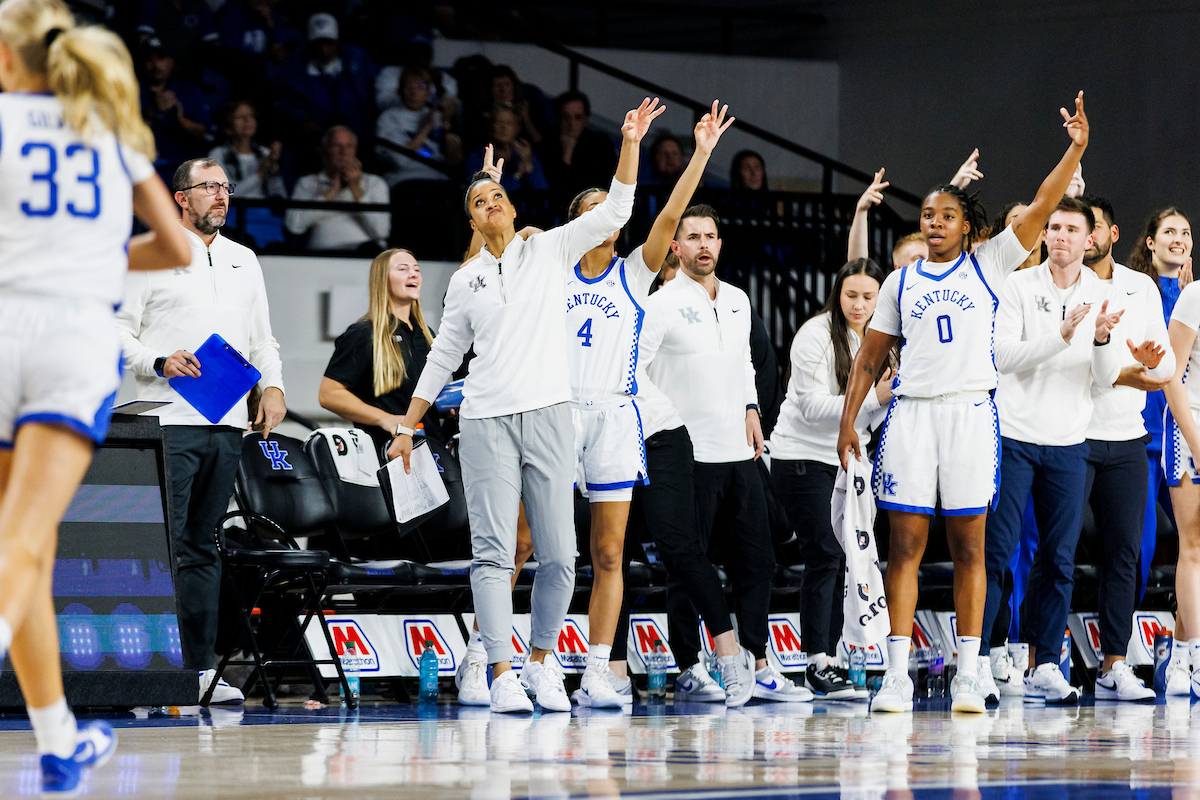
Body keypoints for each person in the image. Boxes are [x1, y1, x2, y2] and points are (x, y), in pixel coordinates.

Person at [389, 99, 664, 714]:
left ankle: (543, 663)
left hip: (549, 415)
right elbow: (443, 359)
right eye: (477, 202)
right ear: (470, 219)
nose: (490, 207)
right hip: (486, 419)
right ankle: (500, 670)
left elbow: (618, 208)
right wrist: (409, 424)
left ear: (514, 207)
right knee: (493, 550)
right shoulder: (464, 282)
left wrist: (630, 141)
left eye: (496, 199)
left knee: (561, 554)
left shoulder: (550, 251)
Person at [837, 92, 1089, 714]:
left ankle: (970, 673)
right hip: (913, 415)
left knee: (973, 547)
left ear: (966, 225)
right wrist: (848, 420)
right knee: (905, 547)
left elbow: (1044, 204)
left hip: (973, 413)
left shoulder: (992, 262)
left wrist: (1077, 146)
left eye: (945, 215)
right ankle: (895, 675)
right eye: (926, 214)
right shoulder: (899, 281)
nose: (932, 222)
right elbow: (869, 359)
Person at [0, 0, 190, 791]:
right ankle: (55, 739)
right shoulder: (111, 134)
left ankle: (57, 742)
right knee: (23, 544)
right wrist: (94, 264)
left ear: (11, 62)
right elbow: (176, 245)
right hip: (71, 339)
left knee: (25, 554)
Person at [562, 101, 774, 708]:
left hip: (649, 427)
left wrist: (702, 153)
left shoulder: (636, 275)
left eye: (607, 216)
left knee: (681, 546)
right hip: (578, 424)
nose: (599, 224)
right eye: (587, 217)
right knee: (606, 555)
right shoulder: (550, 279)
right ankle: (604, 670)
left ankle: (730, 656)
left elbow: (672, 213)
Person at [116, 157, 287, 708]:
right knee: (154, 548)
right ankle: (142, 671)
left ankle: (197, 670)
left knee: (203, 547)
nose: (220, 194)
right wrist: (159, 360)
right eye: (208, 186)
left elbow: (263, 341)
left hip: (225, 422)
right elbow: (114, 331)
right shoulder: (147, 254)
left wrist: (275, 387)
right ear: (181, 198)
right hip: (163, 422)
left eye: (225, 186)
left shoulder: (244, 259)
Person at [638, 203, 798, 707]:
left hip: (737, 449)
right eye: (693, 237)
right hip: (689, 455)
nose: (703, 244)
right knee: (692, 564)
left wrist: (751, 405)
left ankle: (755, 661)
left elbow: (745, 361)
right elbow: (634, 371)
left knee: (759, 562)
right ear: (675, 246)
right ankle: (688, 665)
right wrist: (671, 423)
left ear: (720, 244)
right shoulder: (659, 303)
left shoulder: (737, 299)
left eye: (711, 235)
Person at [982, 197, 1130, 706]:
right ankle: (979, 661)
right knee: (996, 553)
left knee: (1059, 560)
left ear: (1091, 239)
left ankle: (1044, 662)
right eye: (1054, 227)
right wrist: (1061, 336)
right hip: (1015, 436)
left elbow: (1107, 378)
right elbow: (1002, 357)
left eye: (1072, 229)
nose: (1061, 236)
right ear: (1044, 236)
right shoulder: (1018, 286)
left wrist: (1104, 339)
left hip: (1070, 443)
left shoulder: (1102, 292)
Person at [771, 258, 893, 699]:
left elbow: (871, 416)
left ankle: (841, 658)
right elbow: (811, 407)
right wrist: (873, 394)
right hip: (801, 457)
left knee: (845, 557)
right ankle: (817, 662)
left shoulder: (881, 340)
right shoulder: (816, 334)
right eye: (851, 295)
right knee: (824, 552)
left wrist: (877, 401)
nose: (859, 305)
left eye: (868, 297)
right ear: (837, 293)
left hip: (848, 461)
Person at [1076, 193, 1171, 701]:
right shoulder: (1062, 283)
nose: (1085, 237)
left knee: (1125, 555)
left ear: (1112, 234)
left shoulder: (1142, 288)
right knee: (1054, 550)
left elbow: (1162, 370)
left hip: (1128, 439)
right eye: (1077, 228)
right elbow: (1063, 366)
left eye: (1094, 228)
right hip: (1070, 434)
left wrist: (1143, 365)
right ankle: (1036, 660)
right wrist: (1124, 373)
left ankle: (1115, 663)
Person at [1131, 208, 1196, 693]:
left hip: (1171, 429)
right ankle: (1180, 660)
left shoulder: (1189, 288)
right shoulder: (1146, 290)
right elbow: (1166, 369)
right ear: (1150, 242)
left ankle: (1181, 642)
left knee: (1163, 548)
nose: (1179, 239)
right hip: (1158, 431)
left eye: (1186, 233)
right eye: (1169, 232)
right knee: (1156, 544)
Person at [319, 248, 441, 455]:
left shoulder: (427, 334)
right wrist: (384, 418)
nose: (413, 274)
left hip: (432, 451)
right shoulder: (364, 333)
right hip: (387, 451)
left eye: (416, 270)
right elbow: (329, 394)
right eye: (403, 269)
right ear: (382, 279)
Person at [1161, 251, 1200, 700]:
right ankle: (1190, 656)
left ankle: (1178, 650)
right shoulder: (1193, 295)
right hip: (1191, 423)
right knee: (1192, 545)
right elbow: (1171, 375)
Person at [847, 150, 981, 268]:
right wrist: (861, 211)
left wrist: (953, 191)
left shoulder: (948, 290)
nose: (927, 263)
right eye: (918, 259)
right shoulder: (892, 293)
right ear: (898, 268)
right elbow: (858, 270)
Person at [275, 12, 377, 148]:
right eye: (318, 43)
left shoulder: (358, 61)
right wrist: (302, 118)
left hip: (360, 140)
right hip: (314, 146)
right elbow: (285, 104)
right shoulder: (293, 71)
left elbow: (377, 90)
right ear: (309, 43)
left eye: (329, 43)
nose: (324, 49)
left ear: (337, 41)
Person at [287, 125, 390, 252]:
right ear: (325, 151)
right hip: (320, 256)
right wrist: (330, 194)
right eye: (336, 145)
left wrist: (356, 189)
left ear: (355, 151)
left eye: (349, 146)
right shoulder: (307, 182)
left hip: (363, 255)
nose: (343, 152)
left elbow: (382, 232)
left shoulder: (376, 183)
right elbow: (293, 226)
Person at [207, 100, 286, 247]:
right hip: (234, 220)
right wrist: (259, 175)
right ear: (227, 127)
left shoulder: (264, 153)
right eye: (239, 116)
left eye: (251, 116)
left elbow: (280, 196)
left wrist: (273, 171)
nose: (247, 121)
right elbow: (224, 194)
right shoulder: (217, 155)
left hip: (265, 219)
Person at [138, 36, 212, 185]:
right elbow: (123, 137)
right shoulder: (132, 91)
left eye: (161, 59)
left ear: (171, 62)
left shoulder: (188, 91)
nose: (156, 65)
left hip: (183, 167)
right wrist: (153, 112)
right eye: (150, 60)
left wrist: (181, 120)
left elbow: (204, 134)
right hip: (144, 167)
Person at [376, 66, 462, 187]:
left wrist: (447, 127)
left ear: (428, 93)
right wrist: (426, 128)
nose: (414, 92)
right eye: (409, 87)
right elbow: (400, 160)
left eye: (421, 87)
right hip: (403, 179)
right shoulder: (388, 118)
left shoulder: (438, 116)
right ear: (400, 91)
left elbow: (455, 161)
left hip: (439, 179)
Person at [537, 90, 617, 198]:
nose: (571, 123)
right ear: (558, 119)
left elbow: (604, 181)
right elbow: (556, 189)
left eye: (577, 117)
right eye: (566, 117)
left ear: (586, 120)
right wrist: (566, 155)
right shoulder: (545, 147)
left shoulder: (600, 143)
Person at [463, 106, 548, 193]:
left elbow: (543, 194)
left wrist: (530, 169)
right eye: (499, 122)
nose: (504, 127)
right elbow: (483, 193)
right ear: (491, 126)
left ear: (517, 129)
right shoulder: (477, 158)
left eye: (509, 123)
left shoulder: (526, 155)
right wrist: (517, 175)